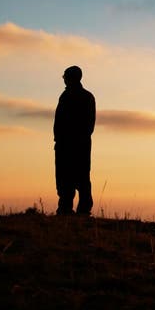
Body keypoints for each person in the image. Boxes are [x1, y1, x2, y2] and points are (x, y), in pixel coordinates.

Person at [53, 65, 96, 216]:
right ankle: (66, 208)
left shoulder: (83, 97)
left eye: (65, 76)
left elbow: (88, 125)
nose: (63, 79)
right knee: (67, 178)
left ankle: (81, 209)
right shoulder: (68, 96)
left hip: (76, 146)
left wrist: (69, 140)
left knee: (80, 177)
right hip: (68, 145)